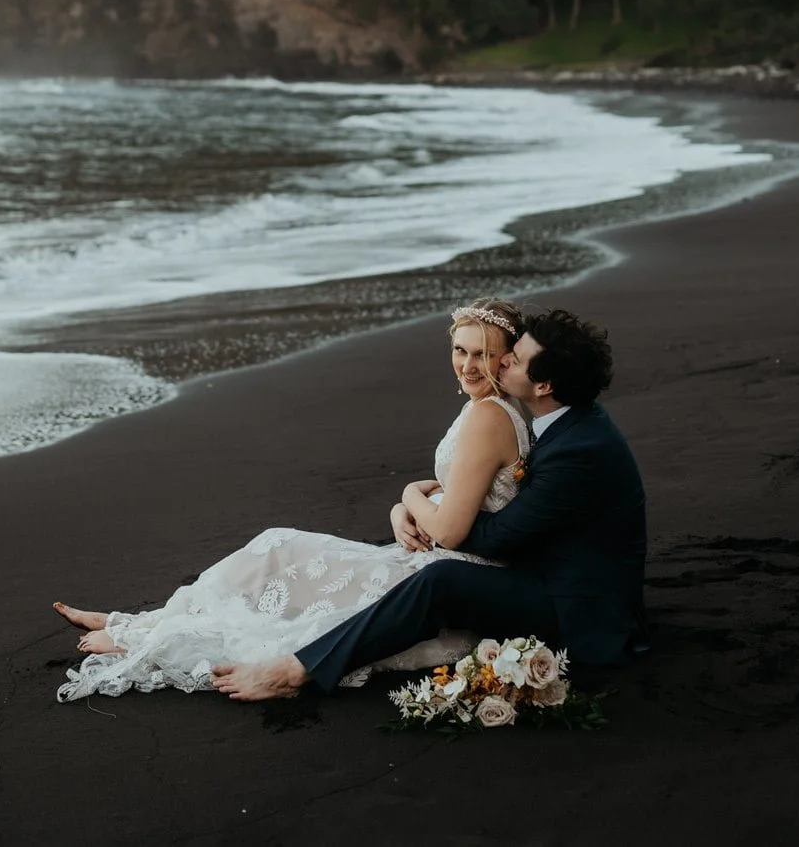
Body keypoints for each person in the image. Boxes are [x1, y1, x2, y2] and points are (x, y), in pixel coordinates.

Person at [52, 298, 534, 700]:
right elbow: (465, 496)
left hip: (448, 570)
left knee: (284, 558)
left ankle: (148, 636)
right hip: (434, 558)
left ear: (505, 360)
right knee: (281, 551)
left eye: (481, 355)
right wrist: (401, 510)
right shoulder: (485, 408)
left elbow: (450, 528)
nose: (467, 365)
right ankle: (146, 622)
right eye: (459, 350)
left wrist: (409, 493)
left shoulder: (488, 416)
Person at [208, 308, 645, 701]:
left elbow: (491, 535)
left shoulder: (578, 452)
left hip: (576, 612)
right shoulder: (569, 422)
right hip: (551, 570)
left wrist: (416, 502)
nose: (504, 359)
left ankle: (294, 670)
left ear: (545, 384)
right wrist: (420, 509)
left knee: (441, 581)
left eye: (514, 358)